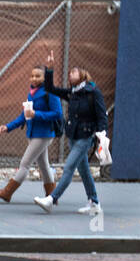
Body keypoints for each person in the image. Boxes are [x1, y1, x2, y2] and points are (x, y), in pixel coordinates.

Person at [33, 50, 107, 215]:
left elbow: (102, 116)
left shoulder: (93, 92)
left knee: (68, 168)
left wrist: (102, 136)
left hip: (86, 137)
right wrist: (50, 69)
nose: (70, 74)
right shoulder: (72, 93)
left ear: (82, 75)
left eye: (73, 72)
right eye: (69, 72)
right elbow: (50, 88)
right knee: (84, 171)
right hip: (73, 136)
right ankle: (94, 203)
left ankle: (51, 199)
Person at [0, 64, 63, 202]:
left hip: (44, 134)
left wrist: (36, 114)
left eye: (38, 76)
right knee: (44, 166)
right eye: (32, 76)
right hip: (33, 133)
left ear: (44, 77)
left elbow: (57, 114)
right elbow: (25, 115)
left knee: (24, 164)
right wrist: (8, 126)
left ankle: (7, 193)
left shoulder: (50, 92)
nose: (34, 78)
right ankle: (52, 196)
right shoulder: (32, 92)